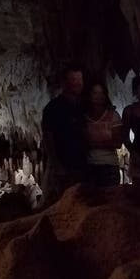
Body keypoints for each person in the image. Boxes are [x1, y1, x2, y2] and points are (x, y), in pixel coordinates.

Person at [41, 65, 88, 205]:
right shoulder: (53, 108)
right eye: (74, 79)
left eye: (80, 80)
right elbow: (48, 137)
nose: (78, 83)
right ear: (65, 83)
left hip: (82, 164)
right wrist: (56, 164)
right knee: (64, 203)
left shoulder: (83, 106)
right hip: (63, 166)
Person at [84, 80, 123, 186]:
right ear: (89, 95)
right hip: (89, 165)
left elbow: (118, 143)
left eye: (101, 93)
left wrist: (93, 144)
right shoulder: (83, 117)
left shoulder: (113, 116)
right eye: (95, 93)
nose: (98, 96)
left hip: (109, 165)